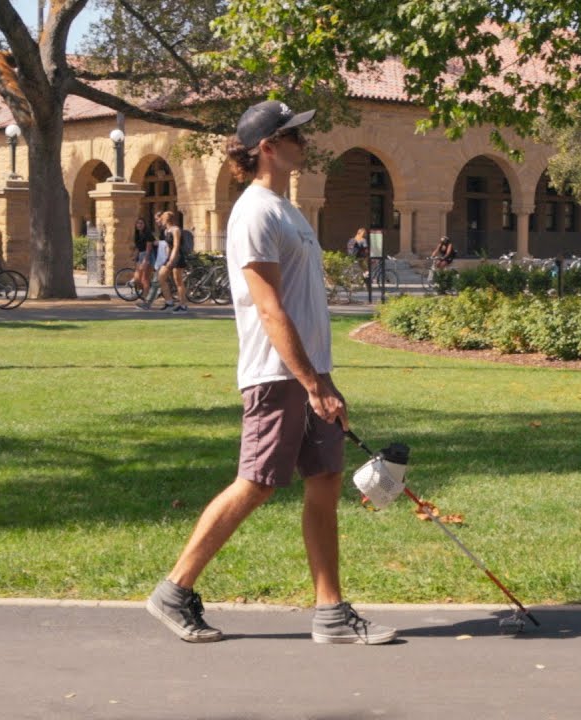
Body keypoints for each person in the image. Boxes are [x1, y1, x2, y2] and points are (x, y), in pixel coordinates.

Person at [145, 100, 396, 645]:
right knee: (257, 482)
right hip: (277, 375)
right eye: (293, 136)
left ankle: (331, 612)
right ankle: (173, 589)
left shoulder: (287, 209)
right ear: (268, 147)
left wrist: (322, 377)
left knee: (325, 482)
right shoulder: (254, 212)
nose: (304, 143)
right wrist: (311, 382)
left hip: (310, 373)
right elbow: (268, 307)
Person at [157, 210, 190, 313]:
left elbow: (176, 245)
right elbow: (168, 246)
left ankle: (183, 305)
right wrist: (167, 258)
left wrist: (172, 259)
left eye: (162, 218)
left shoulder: (176, 230)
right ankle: (169, 302)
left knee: (178, 280)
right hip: (170, 256)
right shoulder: (166, 231)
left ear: (166, 219)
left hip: (178, 256)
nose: (161, 221)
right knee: (161, 277)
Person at [133, 217, 156, 298]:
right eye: (138, 223)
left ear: (145, 225)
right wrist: (135, 256)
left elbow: (148, 248)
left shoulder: (148, 234)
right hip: (141, 255)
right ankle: (146, 292)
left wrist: (145, 260)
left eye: (141, 223)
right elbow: (138, 247)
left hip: (148, 255)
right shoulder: (137, 234)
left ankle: (145, 298)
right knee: (136, 278)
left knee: (145, 279)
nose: (139, 225)